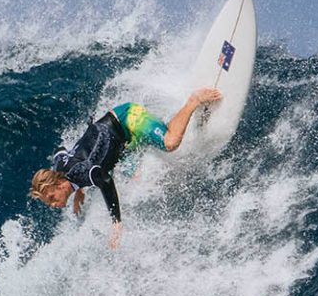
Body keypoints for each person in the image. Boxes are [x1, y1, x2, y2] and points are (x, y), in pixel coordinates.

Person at [29, 88, 222, 247]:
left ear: (58, 183)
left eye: (52, 197)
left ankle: (193, 101)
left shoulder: (78, 172)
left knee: (170, 143)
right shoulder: (59, 166)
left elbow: (103, 179)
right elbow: (60, 150)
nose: (54, 204)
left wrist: (116, 222)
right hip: (122, 144)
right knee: (137, 177)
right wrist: (77, 189)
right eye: (50, 202)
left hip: (127, 120)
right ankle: (169, 125)